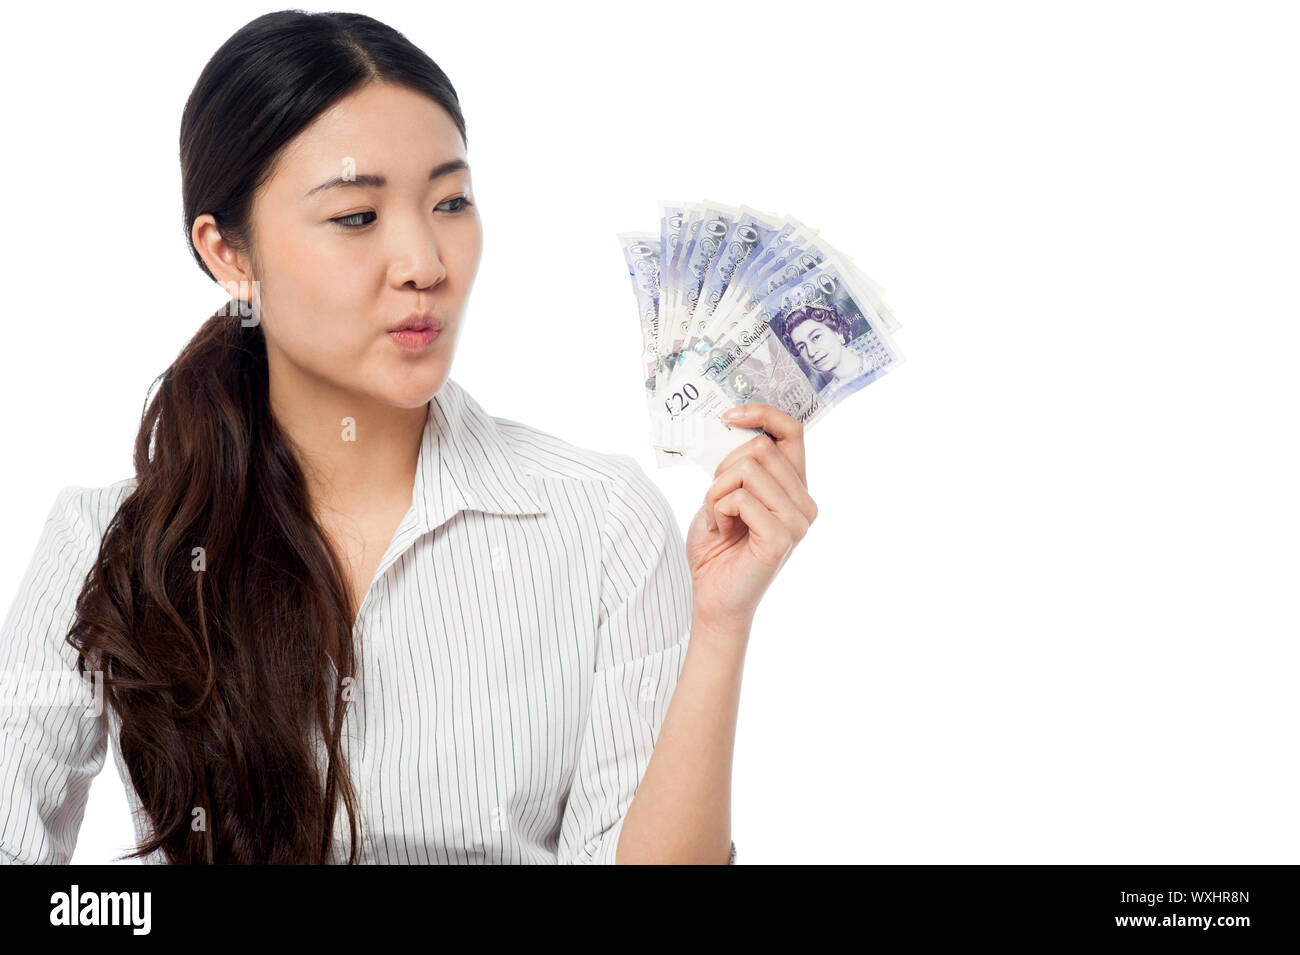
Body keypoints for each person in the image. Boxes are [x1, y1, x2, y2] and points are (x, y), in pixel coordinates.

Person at [0, 10, 818, 865]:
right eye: (357, 215)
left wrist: (719, 624)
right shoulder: (109, 543)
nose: (425, 262)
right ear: (229, 255)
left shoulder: (603, 522)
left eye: (450, 202)